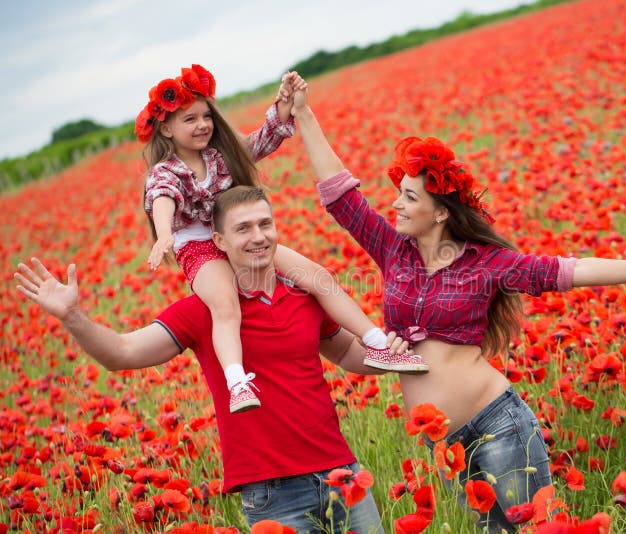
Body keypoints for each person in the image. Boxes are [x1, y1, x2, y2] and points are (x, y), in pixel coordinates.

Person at [290, 86, 626, 531]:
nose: (395, 204)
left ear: (440, 212)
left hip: (496, 422)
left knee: (539, 528)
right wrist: (304, 114)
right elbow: (341, 200)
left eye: (408, 197)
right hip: (441, 442)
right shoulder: (392, 250)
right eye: (398, 194)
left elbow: (565, 272)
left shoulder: (487, 263)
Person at [14, 186, 399, 533]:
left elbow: (348, 352)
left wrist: (398, 357)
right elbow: (122, 354)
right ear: (219, 240)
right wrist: (71, 316)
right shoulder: (202, 312)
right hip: (272, 494)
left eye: (265, 224)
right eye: (243, 228)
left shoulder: (304, 296)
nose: (259, 236)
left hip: (342, 473)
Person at [136, 65, 426, 413]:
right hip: (198, 247)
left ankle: (377, 343)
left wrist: (285, 103)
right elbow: (163, 198)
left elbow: (259, 142)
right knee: (225, 306)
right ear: (165, 128)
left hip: (239, 236)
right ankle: (238, 383)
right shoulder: (165, 171)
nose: (202, 125)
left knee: (318, 277)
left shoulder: (218, 157)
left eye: (206, 117)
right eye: (190, 120)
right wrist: (165, 234)